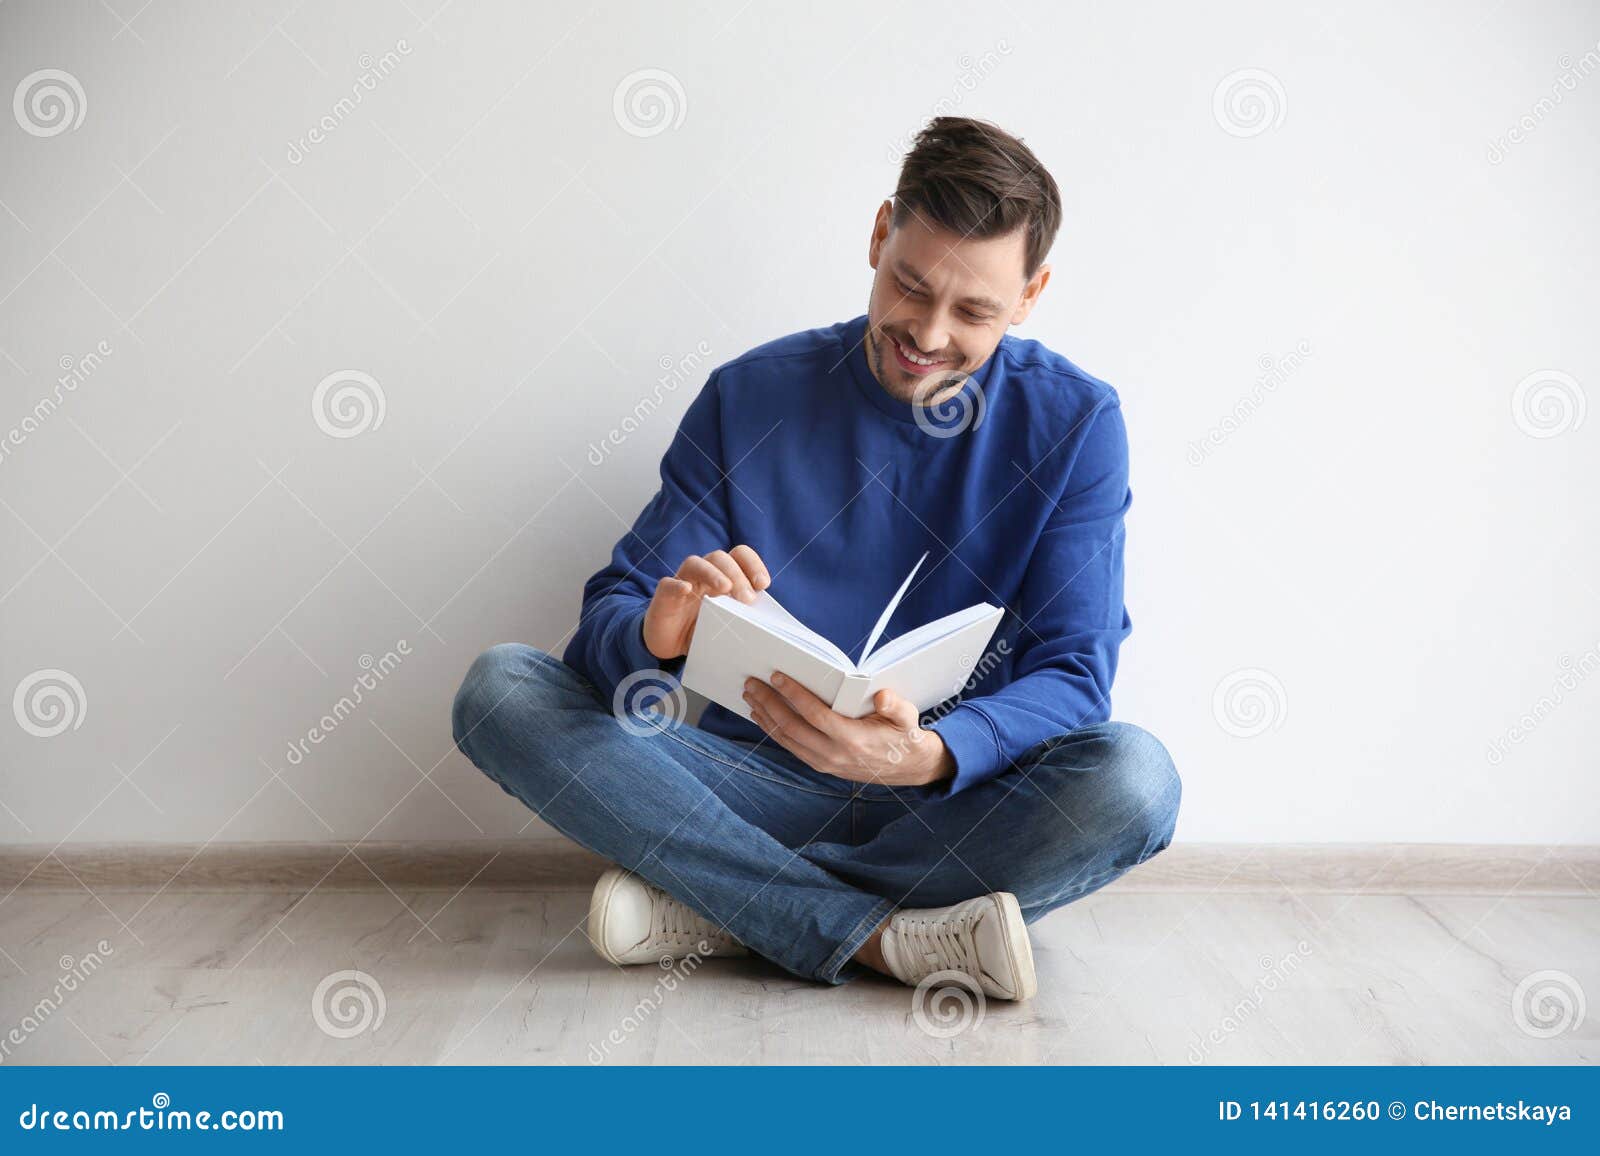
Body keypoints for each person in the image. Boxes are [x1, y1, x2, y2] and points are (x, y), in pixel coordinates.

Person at [452, 117, 1180, 1002]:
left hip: (947, 805)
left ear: (1030, 297)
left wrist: (928, 755)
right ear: (879, 237)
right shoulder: (749, 393)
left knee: (1138, 781)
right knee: (503, 692)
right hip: (737, 786)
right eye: (910, 285)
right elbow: (603, 628)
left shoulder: (1077, 423)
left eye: (975, 311)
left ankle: (723, 904)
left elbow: (1073, 674)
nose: (929, 333)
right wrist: (659, 629)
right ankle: (878, 935)